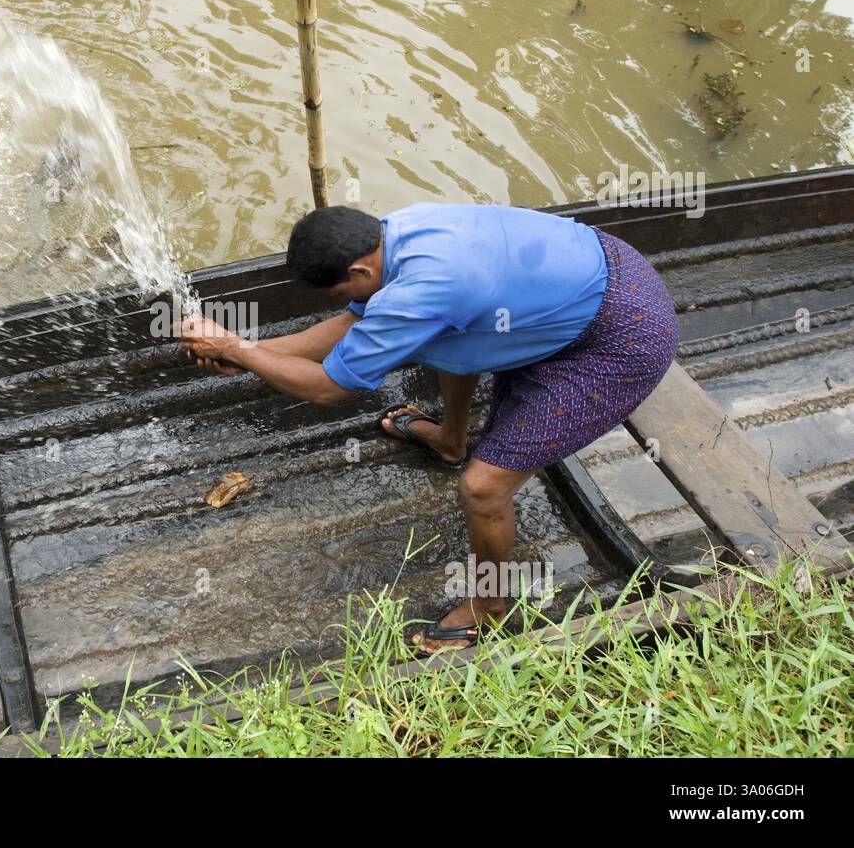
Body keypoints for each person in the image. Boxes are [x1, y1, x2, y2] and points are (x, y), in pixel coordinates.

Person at [179, 203, 679, 655]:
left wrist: (239, 352)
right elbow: (352, 327)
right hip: (603, 270)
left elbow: (328, 387)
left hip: (621, 339)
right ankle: (449, 439)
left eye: (340, 291)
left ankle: (490, 607)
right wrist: (246, 352)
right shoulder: (398, 233)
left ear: (359, 269)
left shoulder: (423, 291)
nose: (344, 301)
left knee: (483, 489)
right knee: (447, 336)